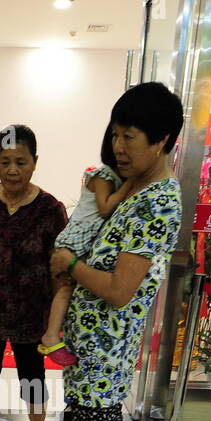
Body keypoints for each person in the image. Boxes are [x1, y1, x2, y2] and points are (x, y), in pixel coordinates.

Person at [51, 82, 183, 421]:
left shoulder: (156, 202)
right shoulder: (137, 190)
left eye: (130, 137)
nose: (118, 147)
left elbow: (119, 290)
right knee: (106, 416)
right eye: (115, 134)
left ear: (161, 140)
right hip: (100, 342)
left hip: (104, 342)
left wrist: (69, 265)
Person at [0, 124, 67, 421]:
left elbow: (60, 269)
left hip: (31, 313)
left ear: (35, 161)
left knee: (32, 375)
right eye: (5, 162)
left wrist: (56, 322)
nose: (12, 170)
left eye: (21, 162)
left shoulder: (50, 209)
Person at [39, 127, 130, 366]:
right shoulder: (103, 176)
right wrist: (128, 189)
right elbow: (105, 207)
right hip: (77, 239)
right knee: (67, 289)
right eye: (119, 138)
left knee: (70, 290)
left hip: (85, 240)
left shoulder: (116, 178)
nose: (122, 147)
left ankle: (55, 334)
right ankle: (50, 335)